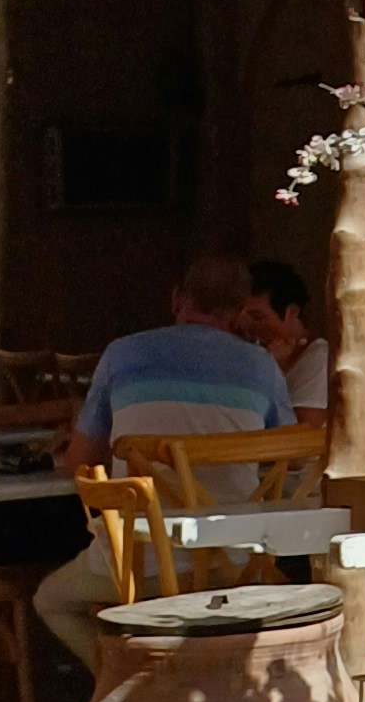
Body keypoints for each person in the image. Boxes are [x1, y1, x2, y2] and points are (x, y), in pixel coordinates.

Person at [33, 255, 293, 674]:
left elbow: (80, 463)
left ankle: (132, 685)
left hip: (142, 564)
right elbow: (286, 456)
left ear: (177, 298)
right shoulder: (263, 367)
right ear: (242, 310)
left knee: (51, 600)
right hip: (240, 565)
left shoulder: (123, 355)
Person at [241, 258, 331, 418]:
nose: (245, 325)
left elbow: (306, 429)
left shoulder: (318, 359)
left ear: (292, 312)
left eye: (257, 317)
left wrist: (272, 370)